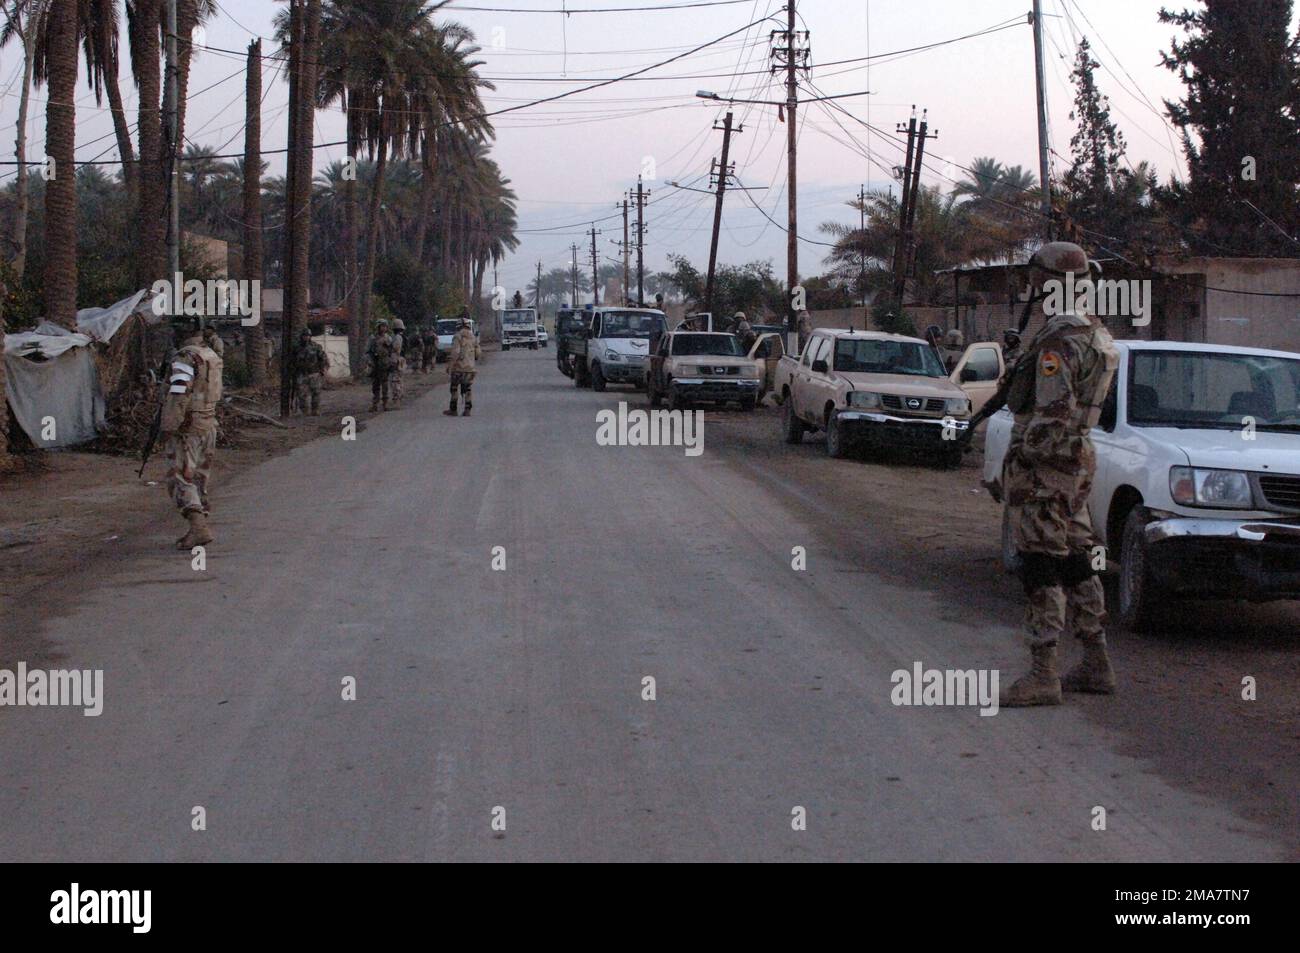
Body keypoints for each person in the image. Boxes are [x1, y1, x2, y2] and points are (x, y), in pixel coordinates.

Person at [1000, 242, 1120, 707]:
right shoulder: (1094, 332)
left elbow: (1052, 412)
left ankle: (1042, 673)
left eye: (1036, 282)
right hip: (1076, 461)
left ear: (1050, 284)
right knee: (1077, 558)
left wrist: (1024, 461)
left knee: (1040, 564)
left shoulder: (1058, 341)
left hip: (1049, 465)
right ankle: (1096, 661)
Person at [161, 319, 223, 550]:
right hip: (208, 423)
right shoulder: (210, 355)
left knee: (181, 478)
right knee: (198, 477)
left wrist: (169, 425)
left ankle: (198, 528)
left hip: (188, 427)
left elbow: (179, 391)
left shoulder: (185, 357)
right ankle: (198, 527)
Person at [444, 316, 482, 417]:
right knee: (468, 389)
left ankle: (453, 409)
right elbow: (478, 353)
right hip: (470, 368)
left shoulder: (457, 336)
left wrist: (450, 366)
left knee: (454, 388)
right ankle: (467, 410)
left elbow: (455, 352)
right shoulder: (473, 337)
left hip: (458, 368)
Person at [291, 326, 328, 415]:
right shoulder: (296, 347)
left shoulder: (316, 346)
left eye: (308, 335)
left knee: (316, 393)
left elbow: (322, 358)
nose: (306, 337)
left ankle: (315, 410)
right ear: (302, 336)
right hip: (301, 374)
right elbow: (292, 360)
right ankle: (305, 411)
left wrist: (323, 369)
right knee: (301, 395)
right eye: (304, 335)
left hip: (314, 373)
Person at [366, 319, 398, 412]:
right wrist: (370, 362)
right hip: (375, 364)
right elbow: (368, 352)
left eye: (385, 326)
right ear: (378, 327)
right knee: (375, 385)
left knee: (385, 385)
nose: (383, 328)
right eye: (381, 326)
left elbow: (392, 352)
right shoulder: (373, 338)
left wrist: (392, 362)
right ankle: (375, 403)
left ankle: (385, 404)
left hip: (385, 364)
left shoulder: (389, 338)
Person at [389, 319, 406, 406]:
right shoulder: (401, 336)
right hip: (399, 360)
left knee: (395, 380)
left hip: (397, 360)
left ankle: (397, 399)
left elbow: (396, 348)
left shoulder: (397, 337)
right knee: (398, 380)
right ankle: (399, 397)